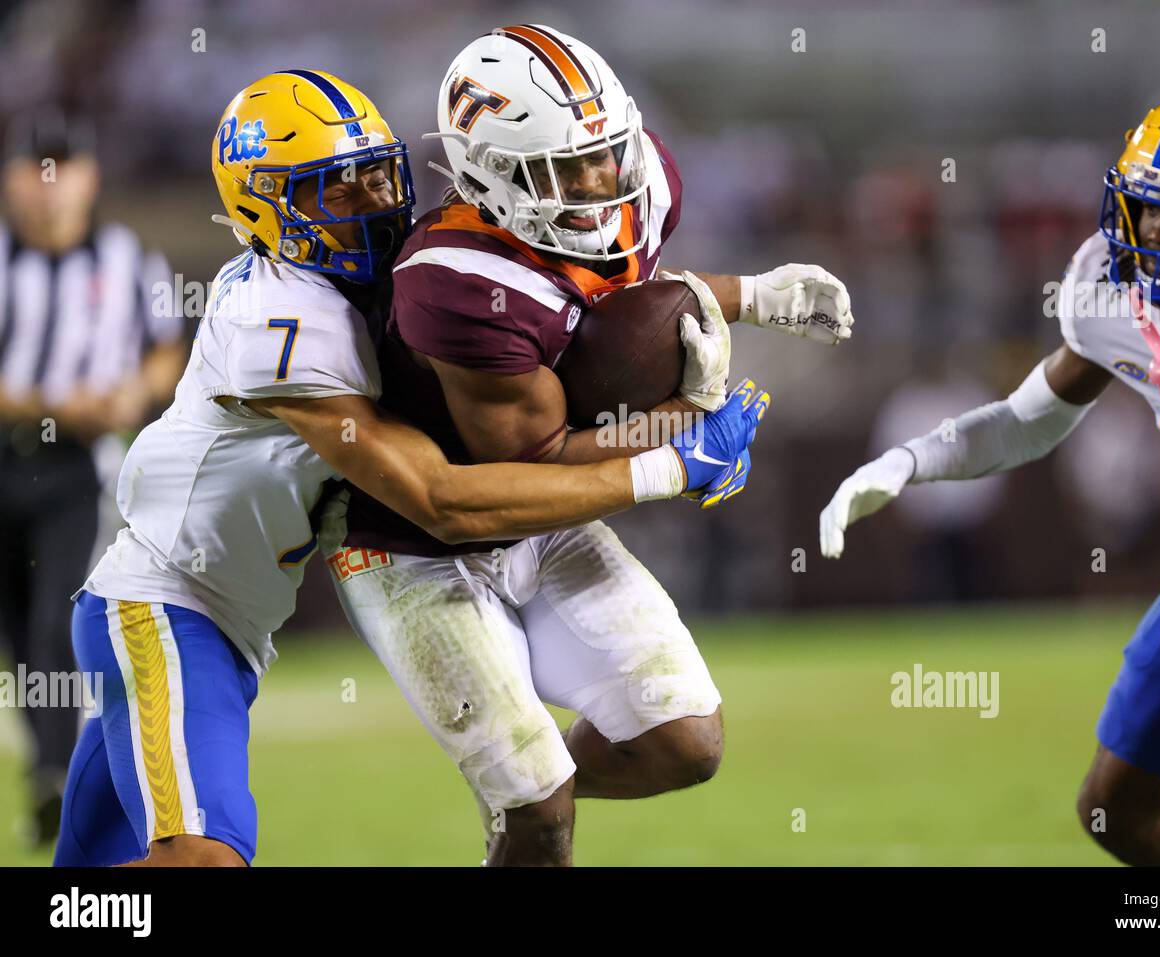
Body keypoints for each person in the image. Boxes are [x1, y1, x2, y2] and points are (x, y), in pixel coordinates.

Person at [53, 70, 764, 867]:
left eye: (377, 176)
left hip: (232, 619)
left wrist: (718, 331)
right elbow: (440, 499)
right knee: (202, 862)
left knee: (89, 876)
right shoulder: (278, 319)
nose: (372, 206)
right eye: (334, 191)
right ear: (261, 207)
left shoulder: (405, 272)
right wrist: (666, 464)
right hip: (165, 601)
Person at [332, 25, 853, 865]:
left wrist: (753, 294)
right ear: (485, 174)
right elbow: (530, 461)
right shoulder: (456, 281)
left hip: (542, 522)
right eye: (565, 169)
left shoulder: (635, 184)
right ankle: (530, 799)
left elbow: (623, 307)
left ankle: (528, 790)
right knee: (539, 808)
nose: (598, 182)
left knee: (684, 742)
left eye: (605, 153)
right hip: (417, 546)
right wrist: (683, 430)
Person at [821, 86, 1160, 865]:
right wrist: (910, 459)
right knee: (1115, 812)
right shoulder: (1111, 296)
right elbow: (1026, 420)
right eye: (1145, 208)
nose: (1152, 233)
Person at [0, 108, 184, 846]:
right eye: (35, 168)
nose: (49, 186)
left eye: (63, 167)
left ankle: (59, 774)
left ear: (90, 176)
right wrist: (50, 402)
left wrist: (132, 395)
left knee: (56, 617)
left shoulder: (127, 258)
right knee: (20, 632)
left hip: (74, 467)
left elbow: (168, 347)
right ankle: (51, 765)